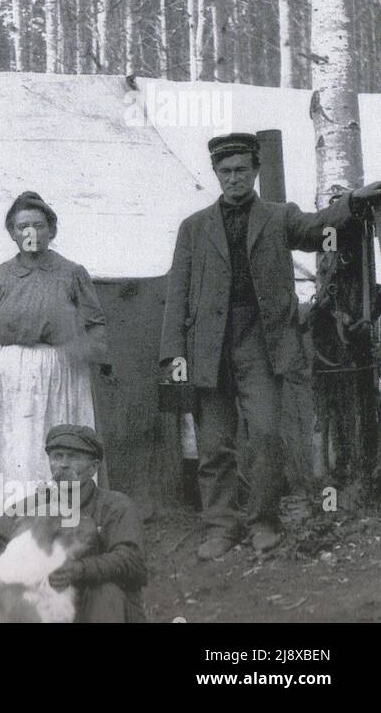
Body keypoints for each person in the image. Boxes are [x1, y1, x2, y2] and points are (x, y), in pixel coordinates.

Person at [161, 133, 381, 560]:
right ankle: (220, 528)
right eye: (225, 171)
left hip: (262, 343)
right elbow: (177, 294)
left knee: (264, 436)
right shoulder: (194, 227)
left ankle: (264, 521)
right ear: (215, 174)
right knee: (214, 444)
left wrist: (354, 202)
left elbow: (320, 230)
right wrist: (174, 359)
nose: (234, 178)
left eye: (241, 170)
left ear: (255, 171)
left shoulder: (280, 217)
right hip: (208, 347)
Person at [0, 192, 108, 539]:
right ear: (12, 233)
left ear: (51, 230)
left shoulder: (72, 274)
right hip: (5, 381)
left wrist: (84, 350)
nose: (31, 233)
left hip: (59, 376)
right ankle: (3, 537)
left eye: (38, 225)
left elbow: (96, 324)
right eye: (22, 226)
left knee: (55, 453)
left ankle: (64, 537)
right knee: (11, 455)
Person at [0, 424, 147, 623]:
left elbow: (132, 560)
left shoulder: (115, 506)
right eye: (57, 456)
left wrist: (80, 569)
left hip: (95, 608)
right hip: (45, 609)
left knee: (107, 592)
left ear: (93, 467)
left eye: (73, 457)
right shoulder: (31, 506)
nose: (64, 464)